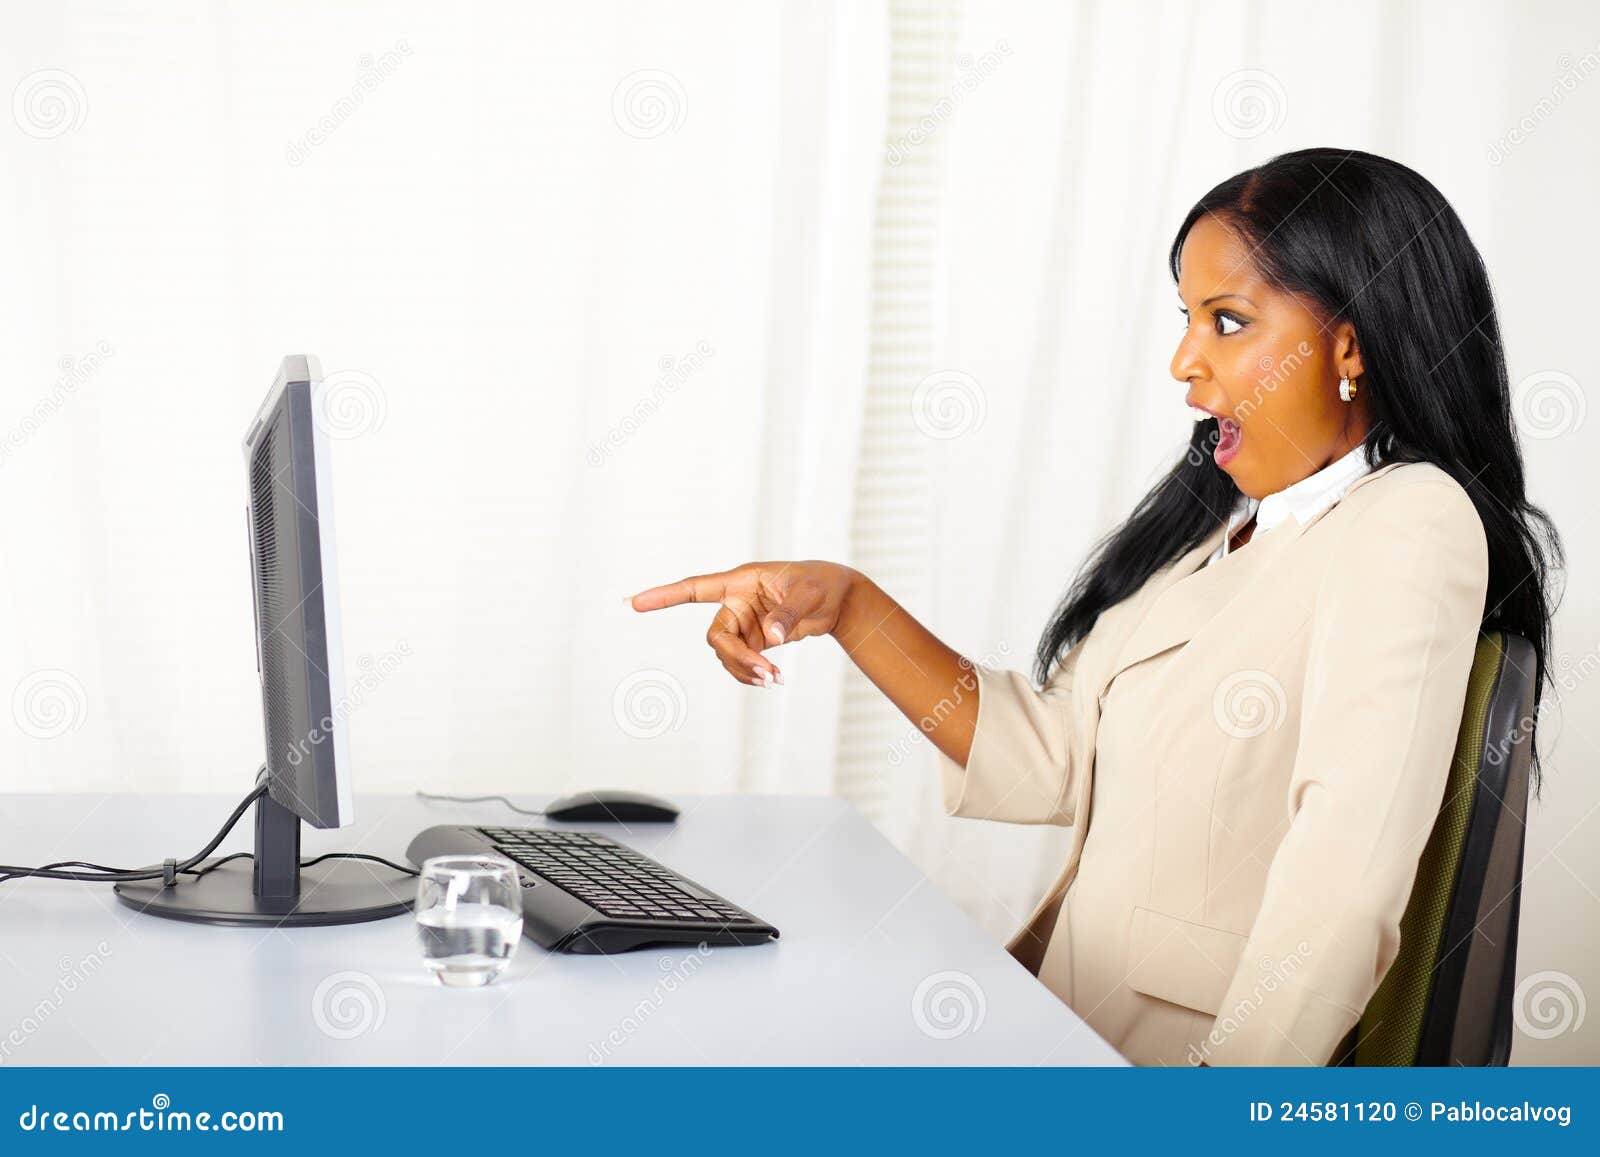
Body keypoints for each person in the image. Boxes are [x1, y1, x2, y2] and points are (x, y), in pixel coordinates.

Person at [625, 148, 1562, 1066]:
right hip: (1064, 1035)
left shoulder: (1408, 520)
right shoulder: (1226, 535)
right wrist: (845, 604)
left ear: (1349, 342)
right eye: (1188, 319)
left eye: (1227, 322)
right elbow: (1055, 759)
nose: (1183, 362)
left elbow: (1343, 888)